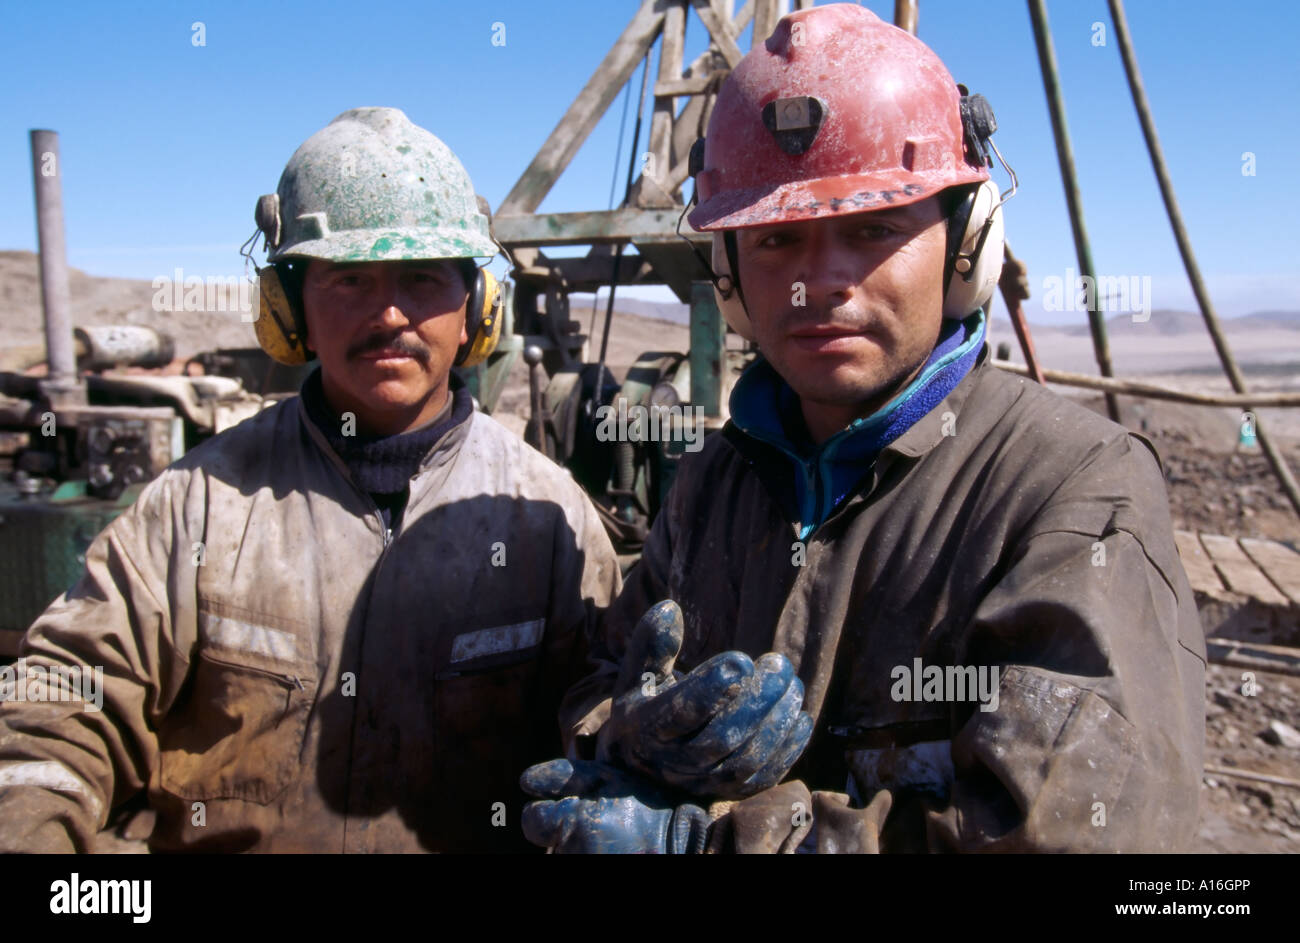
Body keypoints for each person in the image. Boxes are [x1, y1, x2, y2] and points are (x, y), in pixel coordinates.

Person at [521, 4, 1205, 853]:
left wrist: (712, 845)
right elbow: (596, 677)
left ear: (967, 245)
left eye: (874, 229)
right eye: (775, 239)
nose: (820, 284)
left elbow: (1075, 838)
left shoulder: (1073, 491)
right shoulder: (714, 484)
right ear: (727, 278)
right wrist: (626, 731)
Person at [0, 107, 619, 852]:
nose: (389, 313)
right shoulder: (198, 506)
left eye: (421, 277)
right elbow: (68, 697)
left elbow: (605, 718)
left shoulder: (547, 516)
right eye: (350, 278)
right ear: (288, 309)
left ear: (477, 311)